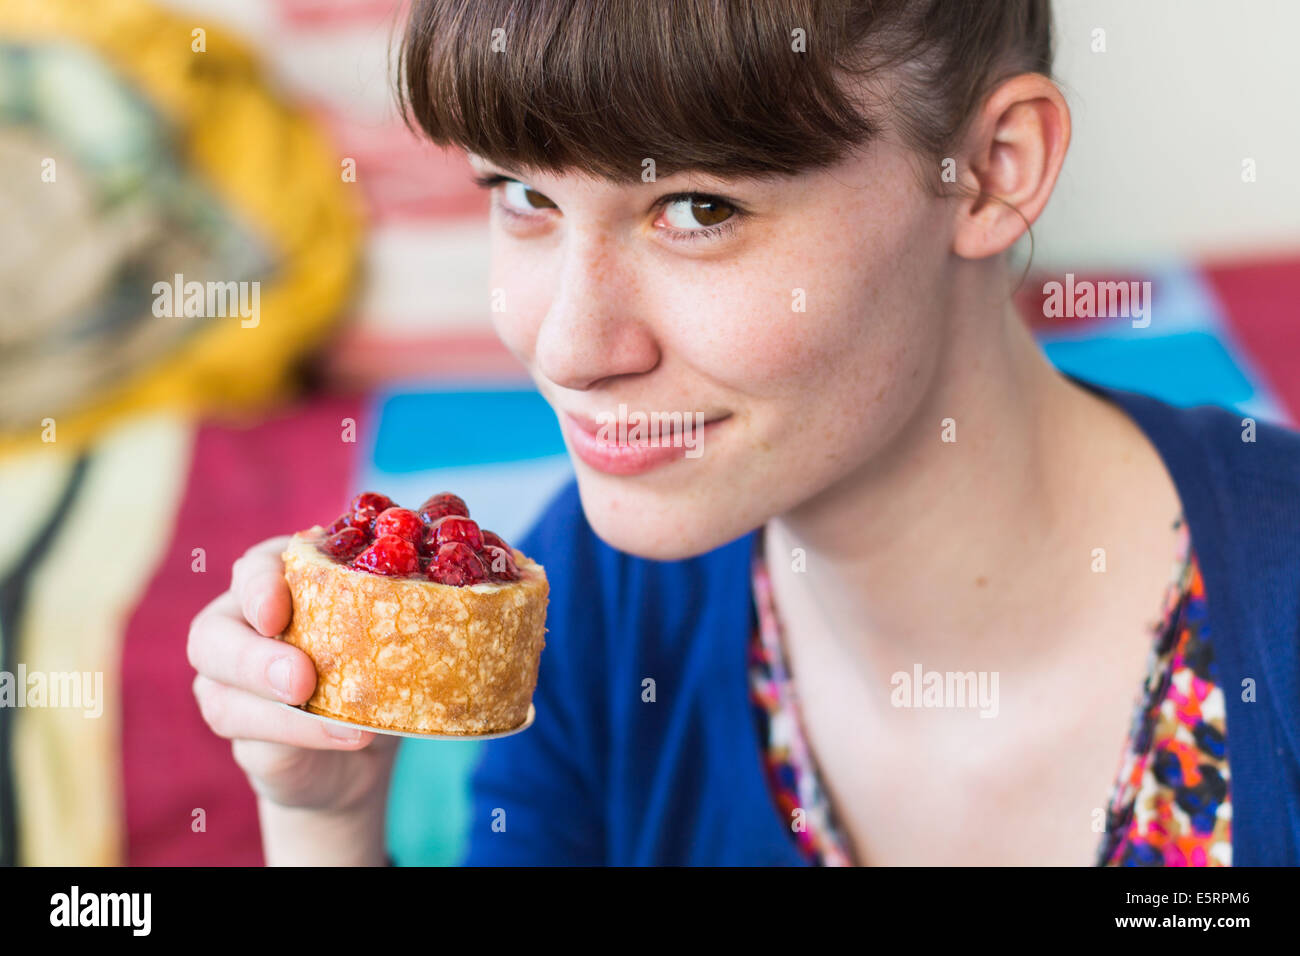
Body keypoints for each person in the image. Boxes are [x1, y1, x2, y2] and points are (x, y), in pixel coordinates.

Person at [187, 0, 1300, 865]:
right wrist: (323, 818)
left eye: (698, 209)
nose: (569, 348)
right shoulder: (591, 606)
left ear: (992, 171)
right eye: (520, 194)